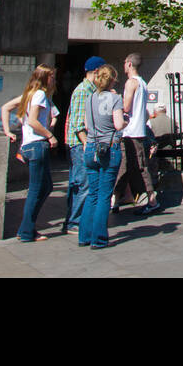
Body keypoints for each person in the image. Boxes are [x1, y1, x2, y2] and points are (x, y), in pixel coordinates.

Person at [1, 65, 59, 242]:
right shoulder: (40, 94)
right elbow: (33, 121)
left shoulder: (30, 94)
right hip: (36, 145)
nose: (54, 80)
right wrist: (50, 135)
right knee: (36, 189)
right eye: (53, 77)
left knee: (45, 186)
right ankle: (26, 230)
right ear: (46, 78)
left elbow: (6, 108)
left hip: (29, 145)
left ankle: (27, 227)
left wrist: (7, 130)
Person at [79, 64, 127, 249]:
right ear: (112, 79)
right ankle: (99, 238)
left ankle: (84, 235)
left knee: (93, 193)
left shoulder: (90, 98)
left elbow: (86, 124)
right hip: (108, 147)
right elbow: (118, 124)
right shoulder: (115, 99)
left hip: (91, 146)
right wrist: (125, 121)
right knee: (104, 195)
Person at [63, 56, 107, 235]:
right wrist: (85, 143)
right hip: (79, 145)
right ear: (96, 72)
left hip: (81, 144)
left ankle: (73, 219)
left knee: (78, 183)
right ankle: (74, 222)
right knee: (85, 183)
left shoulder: (91, 90)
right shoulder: (83, 91)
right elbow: (78, 122)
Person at [119, 53, 159, 216]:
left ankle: (152, 200)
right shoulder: (142, 83)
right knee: (132, 166)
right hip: (138, 131)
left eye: (124, 63)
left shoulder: (131, 83)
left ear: (129, 64)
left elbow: (126, 107)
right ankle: (119, 197)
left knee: (132, 167)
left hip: (130, 132)